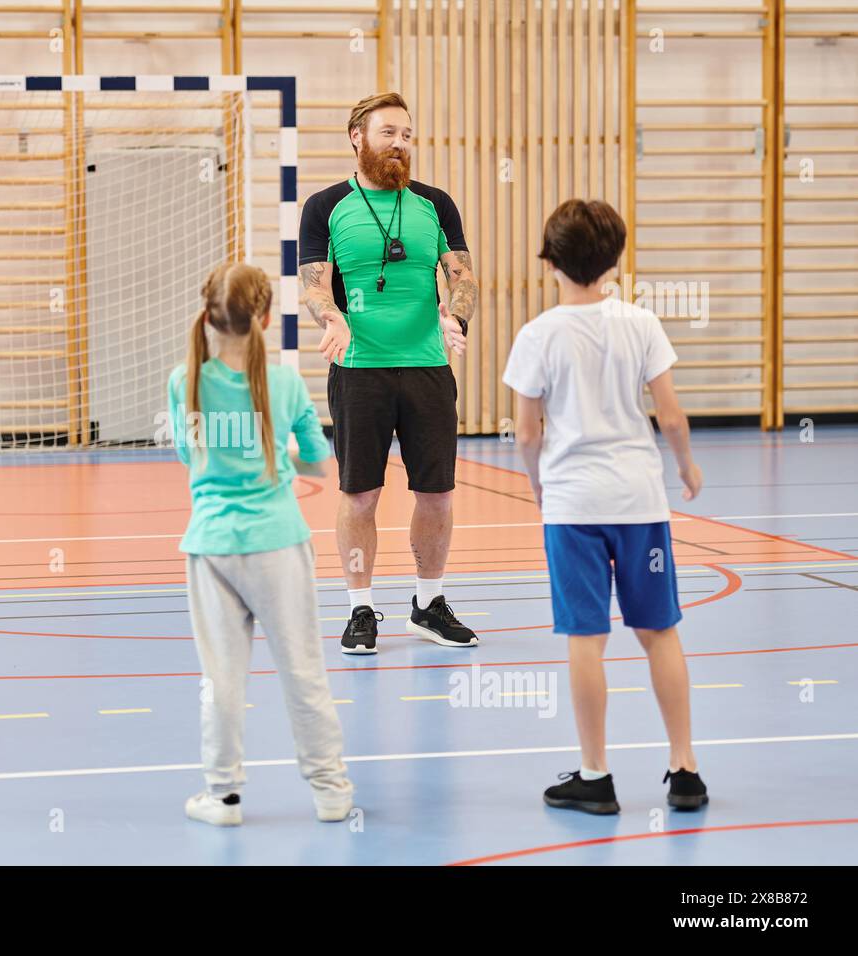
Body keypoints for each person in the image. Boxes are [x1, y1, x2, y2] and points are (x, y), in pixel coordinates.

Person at [503, 198, 709, 815]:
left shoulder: (538, 334)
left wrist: (539, 485)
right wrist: (686, 467)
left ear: (550, 262)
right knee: (659, 631)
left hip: (574, 506)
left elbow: (528, 433)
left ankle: (595, 775)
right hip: (639, 502)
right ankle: (685, 769)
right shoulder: (641, 323)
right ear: (614, 258)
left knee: (586, 639)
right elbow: (670, 415)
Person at [167, 262, 355, 826]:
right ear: (267, 318)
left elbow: (188, 456)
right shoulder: (285, 383)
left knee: (221, 679)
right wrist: (275, 455)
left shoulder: (186, 381)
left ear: (209, 316)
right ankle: (330, 791)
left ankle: (223, 797)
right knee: (303, 671)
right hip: (278, 543)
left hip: (213, 544)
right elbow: (320, 463)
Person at [298, 91, 480, 655]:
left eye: (406, 134)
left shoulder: (436, 204)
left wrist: (460, 321)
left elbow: (463, 277)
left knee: (438, 495)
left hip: (427, 370)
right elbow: (313, 281)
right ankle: (359, 607)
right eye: (388, 133)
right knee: (360, 495)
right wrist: (333, 318)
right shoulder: (325, 206)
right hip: (359, 373)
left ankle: (429, 603)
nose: (400, 144)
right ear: (358, 137)